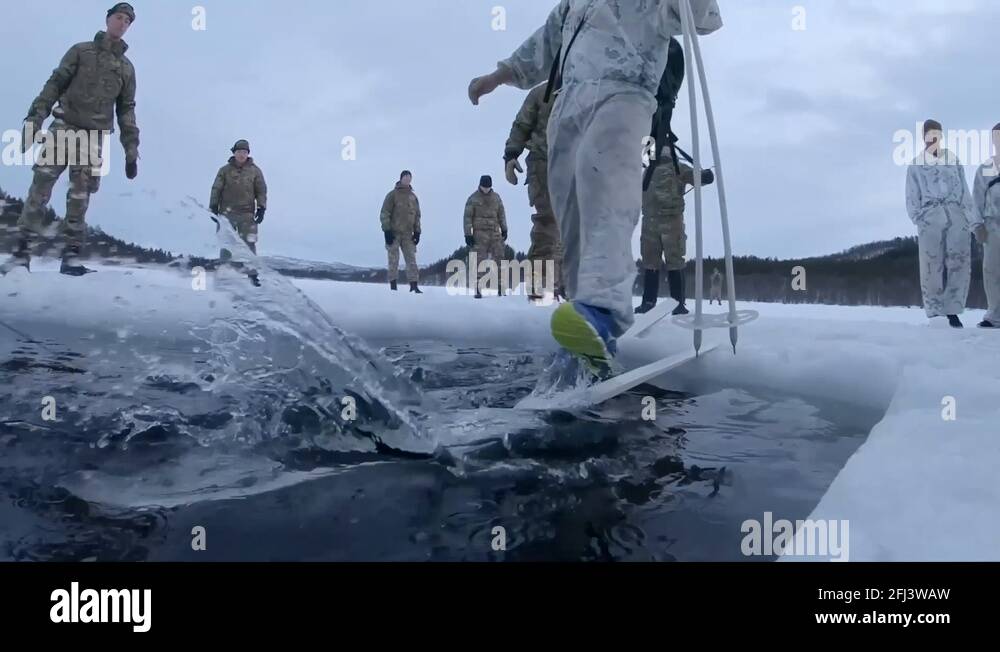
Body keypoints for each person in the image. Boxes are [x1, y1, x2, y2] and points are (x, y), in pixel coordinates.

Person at [468, 0, 723, 372]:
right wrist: (499, 76)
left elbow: (705, 19)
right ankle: (582, 322)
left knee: (604, 184)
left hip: (626, 93)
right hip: (568, 100)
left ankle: (603, 310)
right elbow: (546, 41)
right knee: (569, 207)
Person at [4, 3, 140, 276]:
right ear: (108, 19)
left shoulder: (126, 69)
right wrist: (36, 118)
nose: (122, 23)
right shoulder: (81, 51)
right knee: (40, 190)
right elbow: (55, 84)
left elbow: (126, 109)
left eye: (127, 20)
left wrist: (131, 149)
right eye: (118, 17)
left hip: (93, 138)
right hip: (63, 129)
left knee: (80, 198)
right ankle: (21, 254)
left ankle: (71, 258)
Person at [905, 119, 976, 328]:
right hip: (930, 215)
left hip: (956, 213)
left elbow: (964, 190)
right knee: (930, 264)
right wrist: (919, 218)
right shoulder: (916, 164)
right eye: (928, 134)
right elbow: (911, 194)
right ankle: (935, 313)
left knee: (959, 262)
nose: (932, 137)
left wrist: (970, 219)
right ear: (924, 137)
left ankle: (953, 310)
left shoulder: (953, 161)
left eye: (936, 133)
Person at [635, 148, 715, 315]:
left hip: (666, 222)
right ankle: (659, 303)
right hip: (655, 222)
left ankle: (669, 303)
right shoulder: (652, 170)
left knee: (666, 262)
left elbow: (700, 178)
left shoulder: (675, 167)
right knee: (660, 262)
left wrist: (705, 176)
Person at [504, 83, 564, 301]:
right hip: (543, 163)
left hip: (577, 167)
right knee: (548, 224)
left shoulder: (590, 91)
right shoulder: (542, 93)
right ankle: (540, 290)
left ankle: (562, 288)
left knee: (574, 229)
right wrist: (511, 156)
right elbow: (521, 125)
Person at [209, 139, 268, 255]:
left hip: (247, 214)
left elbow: (261, 191)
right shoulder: (224, 170)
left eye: (245, 152)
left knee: (249, 243)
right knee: (226, 243)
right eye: (239, 151)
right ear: (234, 153)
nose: (242, 155)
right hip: (226, 213)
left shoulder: (255, 171)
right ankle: (225, 270)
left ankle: (251, 271)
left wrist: (262, 208)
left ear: (248, 154)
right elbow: (216, 188)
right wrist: (213, 206)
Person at [971, 123, 1000, 329]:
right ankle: (995, 315)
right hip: (993, 227)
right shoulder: (985, 169)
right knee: (992, 271)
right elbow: (976, 200)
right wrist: (977, 225)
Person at [464, 175, 508, 298]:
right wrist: (468, 234)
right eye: (484, 187)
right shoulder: (473, 198)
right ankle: (478, 289)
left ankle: (501, 287)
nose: (486, 189)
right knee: (478, 261)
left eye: (488, 187)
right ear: (480, 185)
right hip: (479, 233)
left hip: (495, 232)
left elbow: (501, 214)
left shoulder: (496, 198)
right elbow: (467, 217)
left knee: (500, 259)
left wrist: (504, 229)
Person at [379, 170, 423, 293]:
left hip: (408, 234)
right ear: (401, 178)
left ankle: (414, 286)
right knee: (393, 260)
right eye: (405, 177)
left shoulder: (413, 197)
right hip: (394, 233)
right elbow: (384, 213)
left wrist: (417, 232)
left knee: (411, 260)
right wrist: (387, 230)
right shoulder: (392, 195)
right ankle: (393, 286)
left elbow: (417, 216)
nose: (408, 180)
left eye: (409, 178)